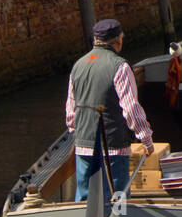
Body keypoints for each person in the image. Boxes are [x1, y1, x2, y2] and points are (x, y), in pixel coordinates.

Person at [65, 19, 154, 201]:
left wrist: (77, 133)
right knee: (116, 203)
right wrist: (145, 138)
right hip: (112, 147)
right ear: (118, 40)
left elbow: (70, 110)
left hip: (83, 145)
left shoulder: (78, 66)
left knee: (85, 201)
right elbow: (130, 108)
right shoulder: (120, 66)